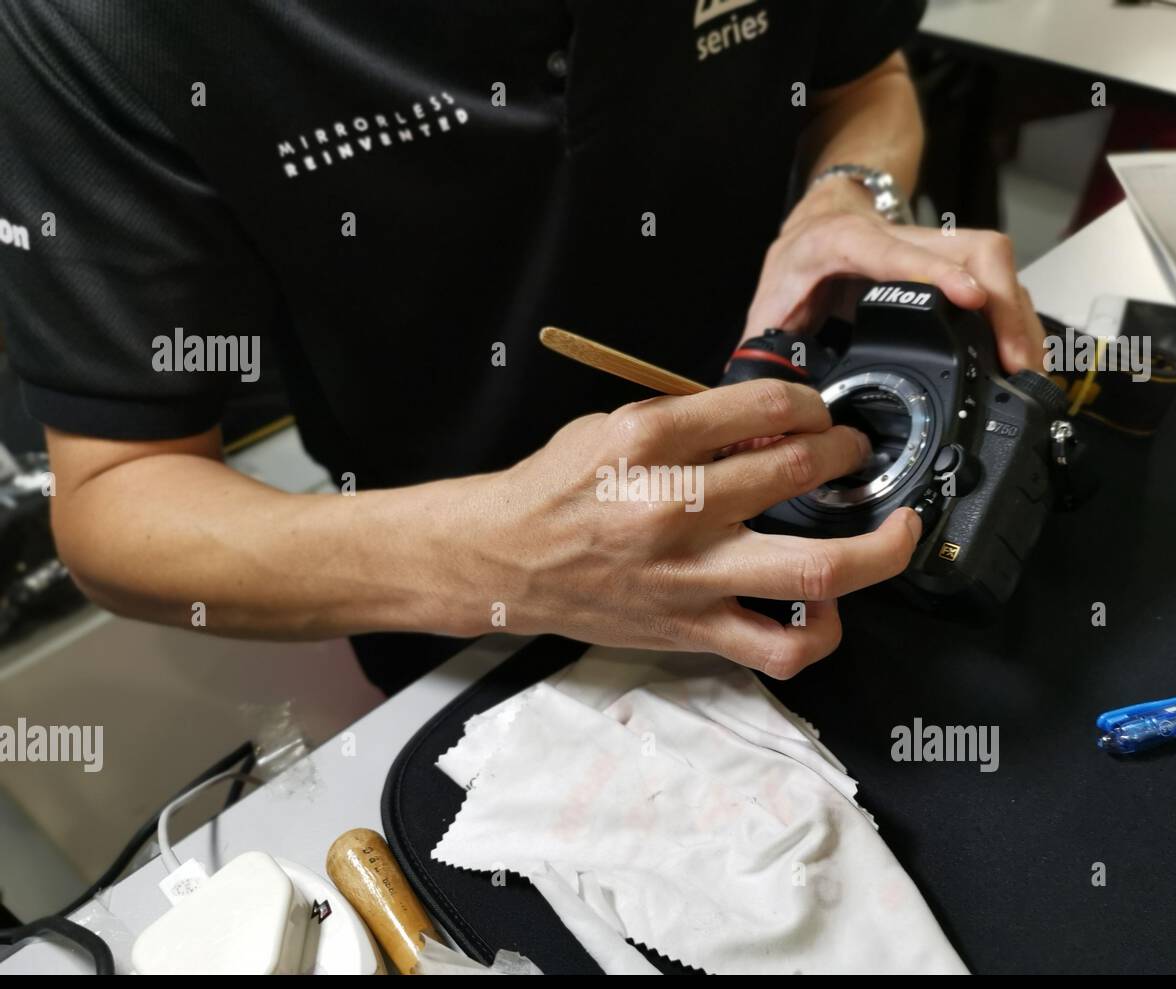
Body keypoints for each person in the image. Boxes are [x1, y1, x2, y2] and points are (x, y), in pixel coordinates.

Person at [0, 0, 1044, 695]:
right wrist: (490, 561)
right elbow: (117, 499)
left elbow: (862, 81)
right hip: (489, 628)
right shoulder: (103, 26)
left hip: (846, 501)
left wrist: (844, 197)